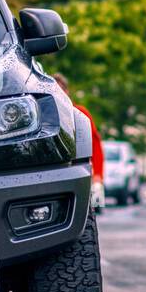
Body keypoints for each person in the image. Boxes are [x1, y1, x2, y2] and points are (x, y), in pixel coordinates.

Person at [53, 72, 105, 212]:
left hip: (79, 172)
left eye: (61, 89)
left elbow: (95, 144)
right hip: (56, 175)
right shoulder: (45, 116)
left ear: (67, 91)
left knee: (87, 212)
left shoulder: (79, 113)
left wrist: (98, 176)